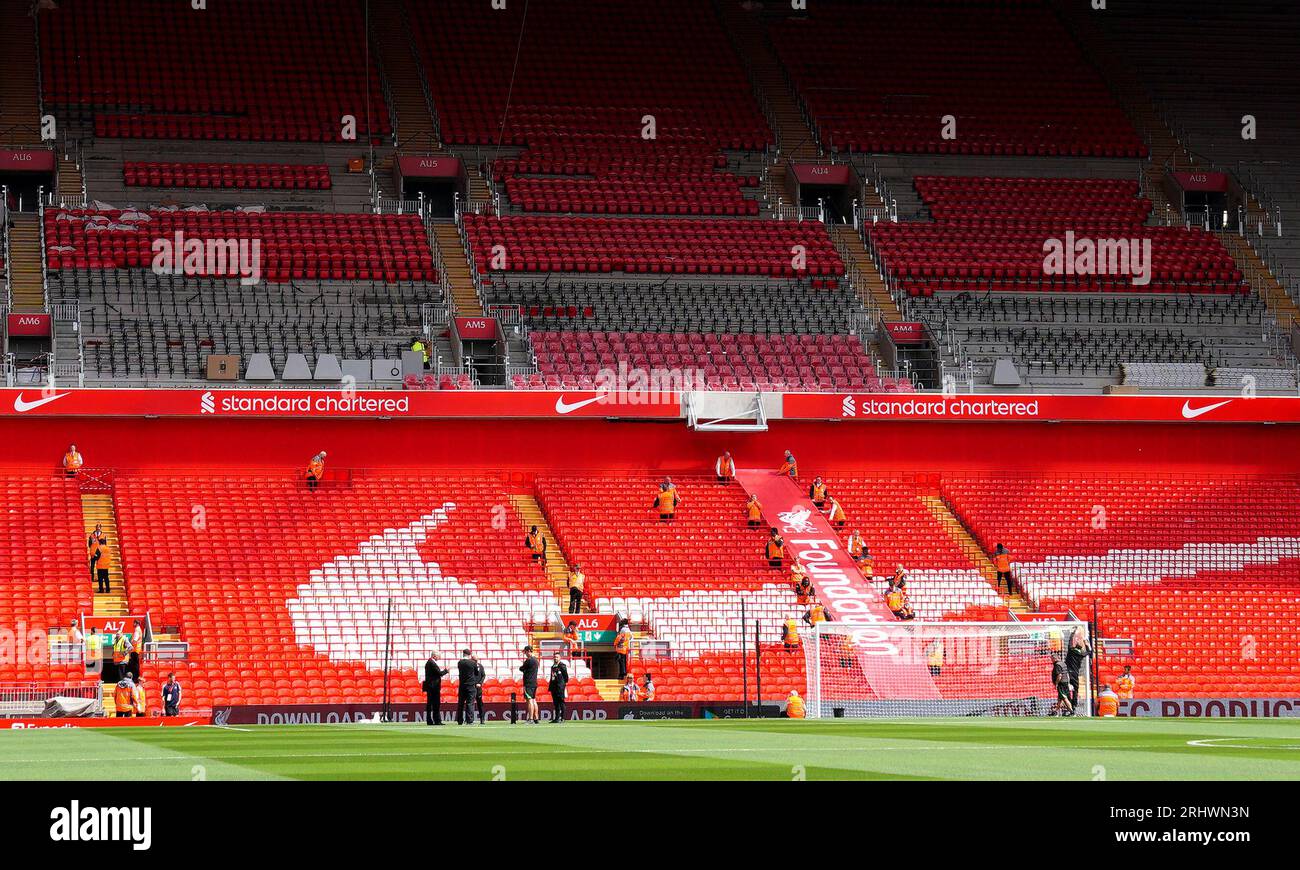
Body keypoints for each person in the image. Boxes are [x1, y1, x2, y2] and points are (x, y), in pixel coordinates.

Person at [1065, 629, 1092, 710]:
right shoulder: (1081, 654)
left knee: (1066, 689)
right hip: (1075, 673)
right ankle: (1074, 704)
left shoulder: (1071, 650)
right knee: (1075, 690)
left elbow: (1069, 643)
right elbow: (1089, 652)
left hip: (1067, 673)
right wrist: (1087, 644)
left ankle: (1069, 704)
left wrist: (1072, 633)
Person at [423, 652, 448, 726]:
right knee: (435, 704)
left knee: (431, 704)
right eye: (438, 656)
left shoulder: (429, 662)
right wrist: (446, 670)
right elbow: (439, 673)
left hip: (431, 686)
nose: (439, 657)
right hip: (433, 687)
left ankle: (431, 720)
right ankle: (436, 720)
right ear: (434, 656)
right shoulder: (431, 663)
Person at [456, 649, 477, 725]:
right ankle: (469, 720)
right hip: (470, 685)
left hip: (462, 685)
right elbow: (476, 673)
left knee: (460, 703)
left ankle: (459, 720)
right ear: (469, 655)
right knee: (470, 703)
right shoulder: (472, 663)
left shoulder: (460, 663)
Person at [519, 646, 540, 724]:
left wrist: (523, 668)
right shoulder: (536, 660)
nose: (525, 654)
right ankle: (536, 718)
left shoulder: (529, 660)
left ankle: (530, 719)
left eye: (525, 652)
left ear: (528, 651)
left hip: (528, 682)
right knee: (534, 700)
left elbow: (521, 668)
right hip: (534, 682)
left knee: (529, 700)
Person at [548, 653, 569, 723]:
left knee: (561, 702)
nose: (555, 658)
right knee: (556, 703)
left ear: (560, 658)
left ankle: (562, 718)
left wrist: (562, 684)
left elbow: (566, 676)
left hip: (560, 687)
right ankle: (557, 718)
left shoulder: (562, 666)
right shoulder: (553, 667)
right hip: (553, 687)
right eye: (554, 657)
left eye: (557, 657)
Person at [472, 653, 487, 724]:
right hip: (471, 687)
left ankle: (482, 719)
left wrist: (480, 683)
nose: (476, 661)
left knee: (480, 704)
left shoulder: (481, 666)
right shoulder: (470, 667)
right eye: (474, 660)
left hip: (478, 688)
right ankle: (469, 719)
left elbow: (483, 675)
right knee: (470, 704)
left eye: (476, 660)